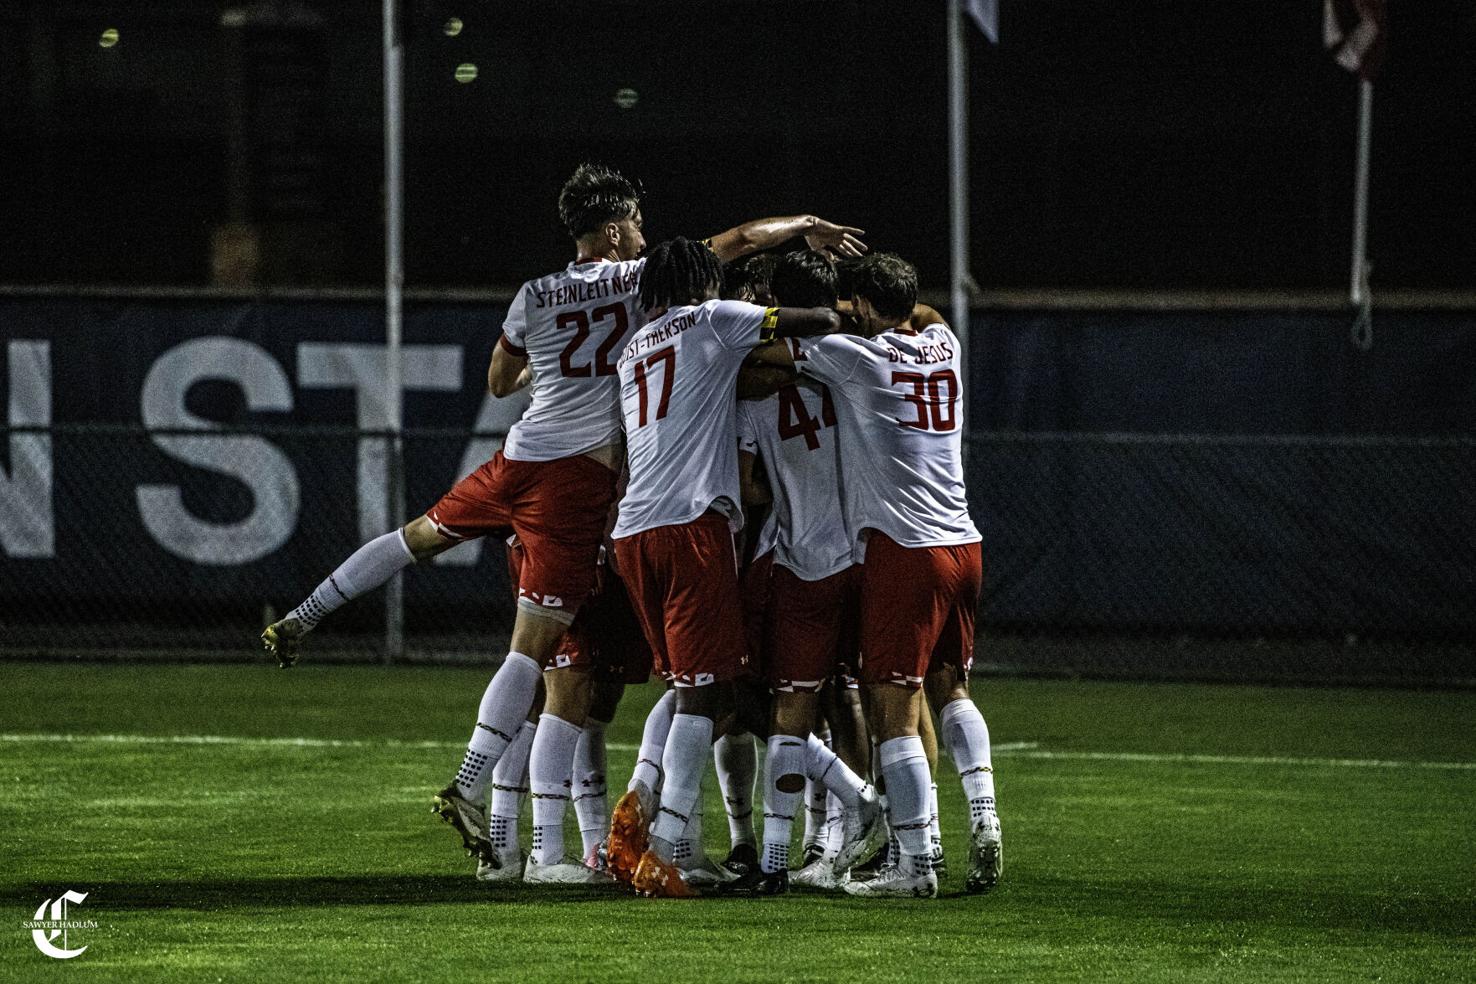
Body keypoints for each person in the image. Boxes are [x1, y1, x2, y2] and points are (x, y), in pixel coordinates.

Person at [258, 160, 870, 877]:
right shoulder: (646, 289)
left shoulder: (536, 294)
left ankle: (304, 617)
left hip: (519, 458)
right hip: (582, 489)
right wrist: (806, 226)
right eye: (634, 224)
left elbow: (500, 380)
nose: (642, 236)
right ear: (611, 232)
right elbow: (735, 243)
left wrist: (552, 367)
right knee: (558, 666)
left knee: (416, 540)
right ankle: (494, 796)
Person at [602, 238, 880, 898]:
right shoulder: (712, 320)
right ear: (703, 282)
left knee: (705, 693)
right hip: (694, 527)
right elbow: (811, 321)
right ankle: (666, 850)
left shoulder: (633, 348)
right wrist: (852, 316)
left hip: (633, 531)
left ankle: (667, 821)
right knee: (709, 697)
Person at [749, 252, 1003, 898]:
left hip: (903, 550)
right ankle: (982, 816)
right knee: (951, 691)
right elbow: (929, 312)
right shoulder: (944, 344)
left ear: (861, 304)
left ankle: (914, 865)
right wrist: (875, 306)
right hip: (964, 542)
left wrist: (825, 313)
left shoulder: (857, 358)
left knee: (893, 708)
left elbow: (766, 351)